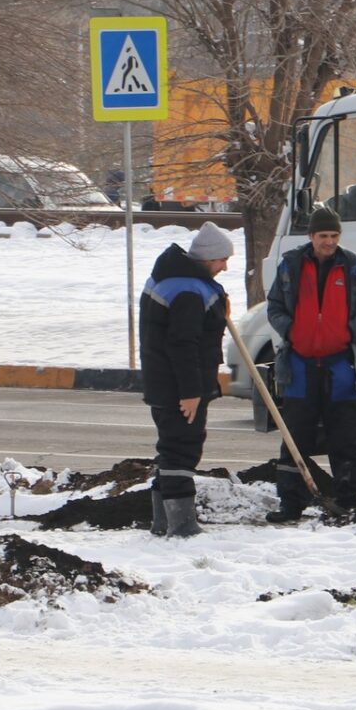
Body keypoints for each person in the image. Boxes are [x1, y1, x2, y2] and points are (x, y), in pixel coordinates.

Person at [264, 207, 356, 520]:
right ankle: (290, 504)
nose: (329, 242)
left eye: (334, 236)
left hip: (341, 366)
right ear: (311, 237)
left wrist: (348, 331)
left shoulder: (355, 269)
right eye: (324, 236)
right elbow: (275, 305)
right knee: (295, 439)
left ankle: (348, 503)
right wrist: (290, 330)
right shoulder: (290, 266)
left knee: (345, 438)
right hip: (300, 366)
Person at [139, 220, 234, 537]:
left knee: (170, 448)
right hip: (180, 386)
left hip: (163, 382)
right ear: (208, 259)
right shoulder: (189, 290)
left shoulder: (173, 278)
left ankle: (162, 521)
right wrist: (191, 392)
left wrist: (218, 310)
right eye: (222, 260)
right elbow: (183, 343)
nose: (225, 267)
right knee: (182, 447)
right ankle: (182, 525)